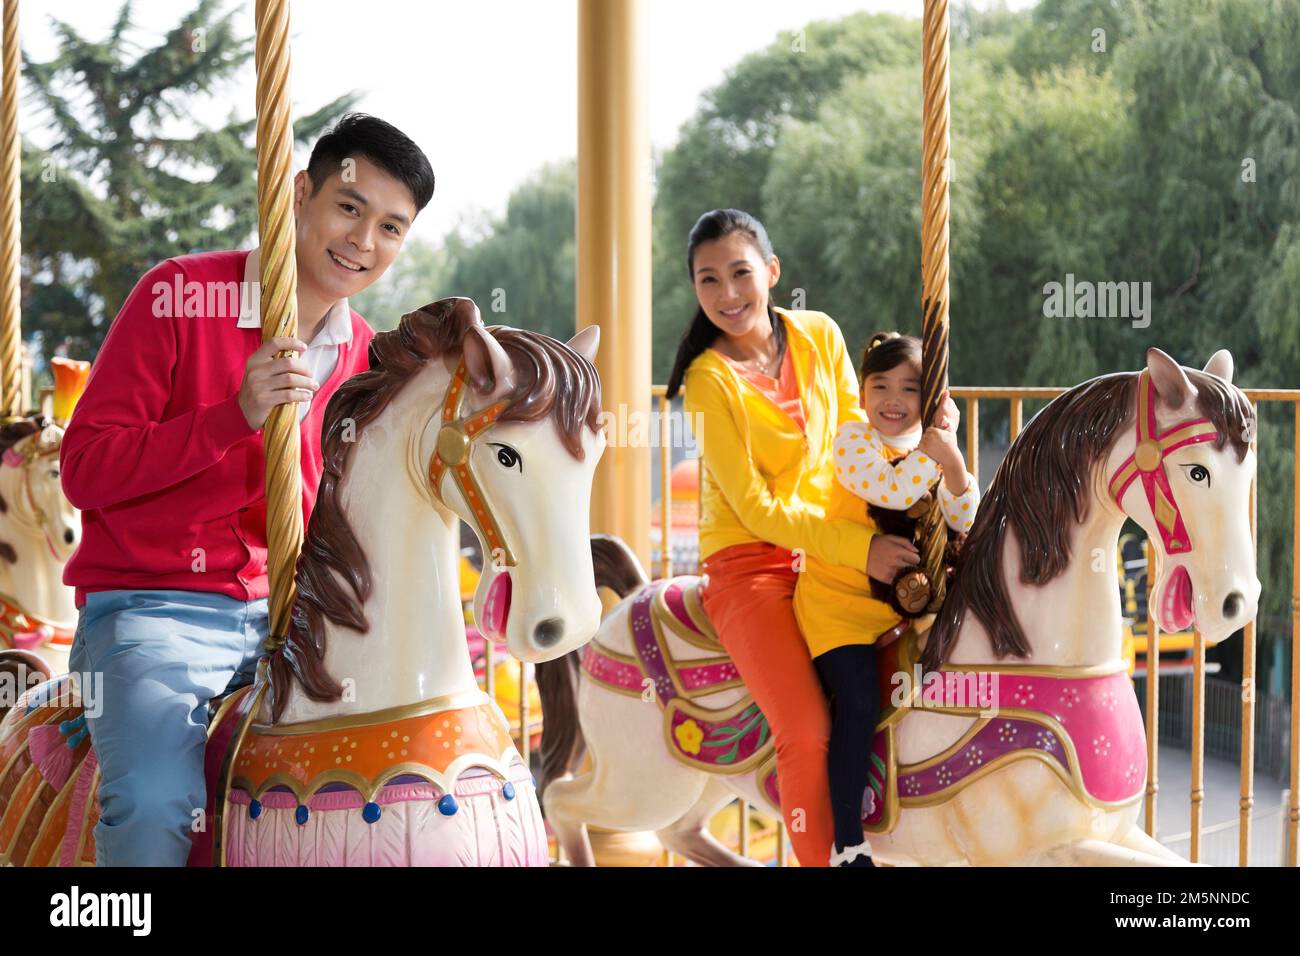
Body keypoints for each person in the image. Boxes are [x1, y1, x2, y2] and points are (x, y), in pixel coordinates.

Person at [59, 113, 436, 866]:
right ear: (300, 194)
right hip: (152, 607)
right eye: (350, 208)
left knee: (387, 787)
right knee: (159, 802)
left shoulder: (362, 358)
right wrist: (232, 418)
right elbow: (85, 470)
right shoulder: (176, 297)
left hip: (286, 620)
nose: (364, 242)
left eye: (391, 228)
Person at [668, 208, 903, 867]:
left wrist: (916, 434)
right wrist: (860, 551)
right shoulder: (708, 382)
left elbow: (858, 441)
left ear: (771, 272)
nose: (727, 293)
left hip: (831, 548)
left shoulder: (819, 335)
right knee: (805, 729)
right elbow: (756, 508)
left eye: (740, 273)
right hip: (752, 565)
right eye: (708, 280)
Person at [794, 331, 979, 866]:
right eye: (880, 385)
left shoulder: (929, 449)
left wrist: (956, 466)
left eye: (910, 388)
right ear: (862, 391)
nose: (893, 399)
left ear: (931, 399)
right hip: (839, 609)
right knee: (857, 702)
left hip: (902, 610)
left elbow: (966, 518)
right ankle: (847, 840)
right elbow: (891, 489)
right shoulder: (852, 440)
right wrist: (936, 450)